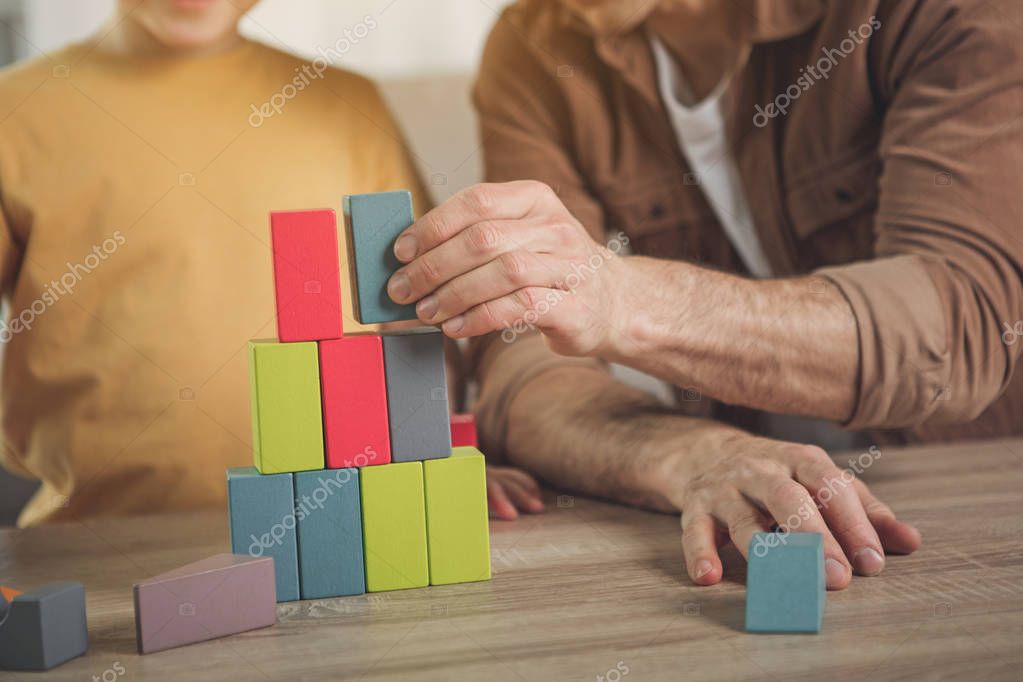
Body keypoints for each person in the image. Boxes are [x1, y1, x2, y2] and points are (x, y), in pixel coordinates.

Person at [385, 0, 1023, 588]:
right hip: (763, 535)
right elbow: (523, 372)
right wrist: (691, 452)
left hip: (978, 507)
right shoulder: (535, 45)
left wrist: (622, 299)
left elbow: (967, 322)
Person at [0, 0, 543, 526]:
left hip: (338, 522)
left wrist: (432, 459)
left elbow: (410, 315)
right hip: (92, 535)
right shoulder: (15, 111)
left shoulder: (348, 106)